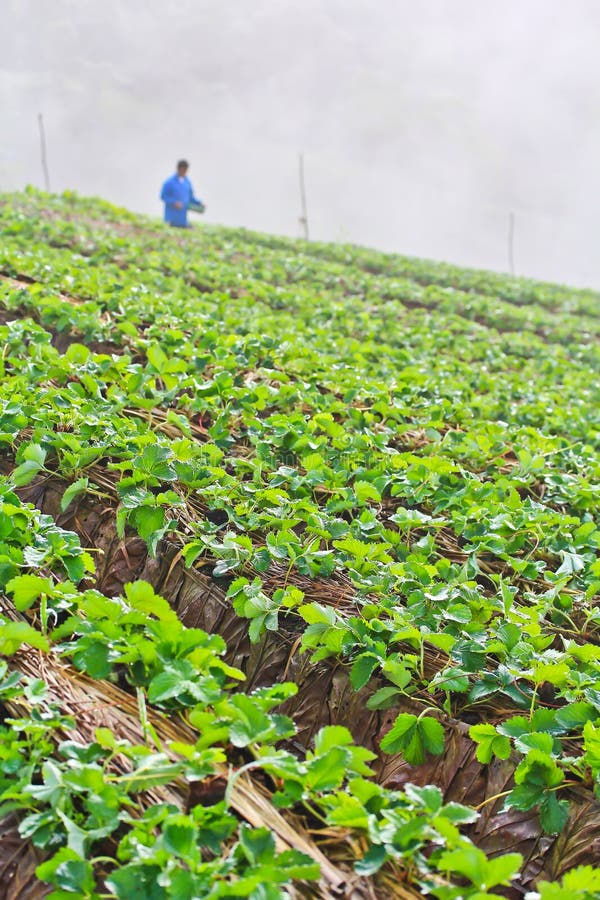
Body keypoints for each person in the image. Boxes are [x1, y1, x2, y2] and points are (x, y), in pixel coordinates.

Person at [160, 159, 204, 228]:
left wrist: (199, 203)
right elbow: (163, 196)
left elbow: (190, 197)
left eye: (186, 170)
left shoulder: (187, 182)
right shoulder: (169, 182)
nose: (185, 172)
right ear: (179, 168)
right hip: (171, 219)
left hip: (182, 219)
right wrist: (174, 203)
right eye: (183, 170)